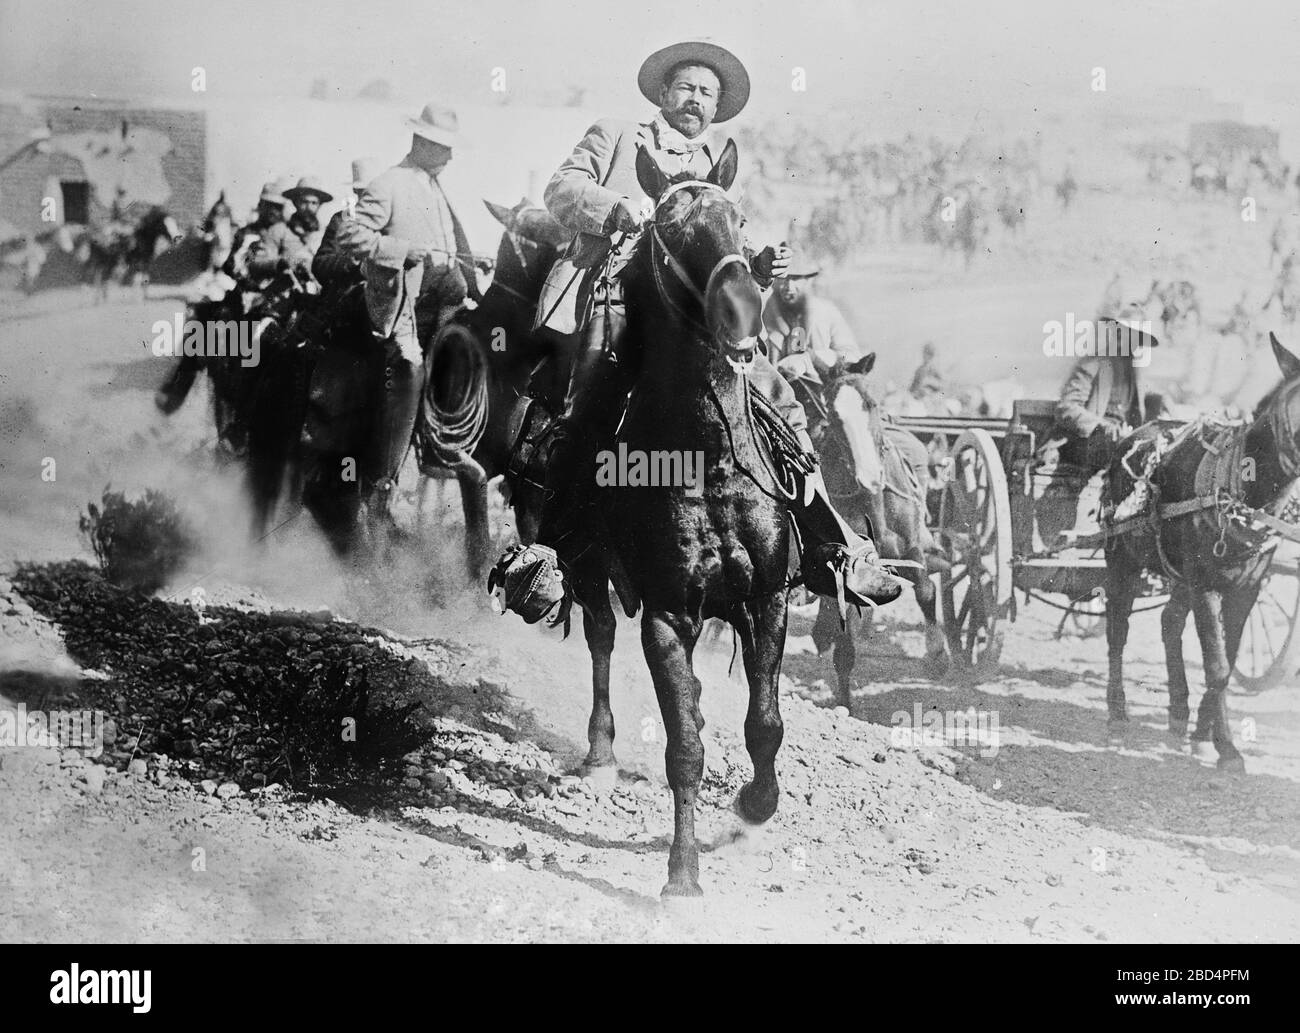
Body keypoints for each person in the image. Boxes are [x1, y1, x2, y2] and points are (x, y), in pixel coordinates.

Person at [496, 38, 899, 621]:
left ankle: (832, 546)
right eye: (686, 87)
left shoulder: (722, 168)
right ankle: (549, 556)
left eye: (707, 94)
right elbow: (560, 189)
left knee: (775, 396)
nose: (696, 100)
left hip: (694, 321)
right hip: (615, 299)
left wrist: (759, 264)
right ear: (662, 93)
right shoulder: (616, 135)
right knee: (588, 400)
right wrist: (612, 208)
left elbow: (730, 240)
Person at [335, 104, 480, 513]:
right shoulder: (389, 184)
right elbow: (351, 235)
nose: (450, 157)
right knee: (410, 369)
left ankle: (444, 456)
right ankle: (384, 480)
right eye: (444, 148)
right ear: (422, 143)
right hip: (402, 309)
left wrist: (466, 267)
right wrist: (400, 250)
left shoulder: (435, 187)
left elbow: (448, 243)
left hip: (441, 306)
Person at [1052, 302, 1161, 520]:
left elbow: (1137, 412)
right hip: (1085, 443)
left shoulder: (1134, 371)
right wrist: (1101, 426)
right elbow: (1066, 407)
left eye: (1136, 337)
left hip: (1121, 443)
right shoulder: (1094, 362)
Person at [761, 251, 861, 372]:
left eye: (796, 279)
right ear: (774, 282)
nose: (789, 287)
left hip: (820, 385)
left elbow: (852, 355)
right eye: (783, 279)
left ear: (808, 281)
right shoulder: (764, 314)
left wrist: (810, 359)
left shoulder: (826, 312)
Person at [284, 175, 334, 258]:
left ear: (319, 205)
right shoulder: (283, 230)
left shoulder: (325, 233)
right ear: (295, 203)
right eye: (304, 202)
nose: (309, 207)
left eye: (314, 203)